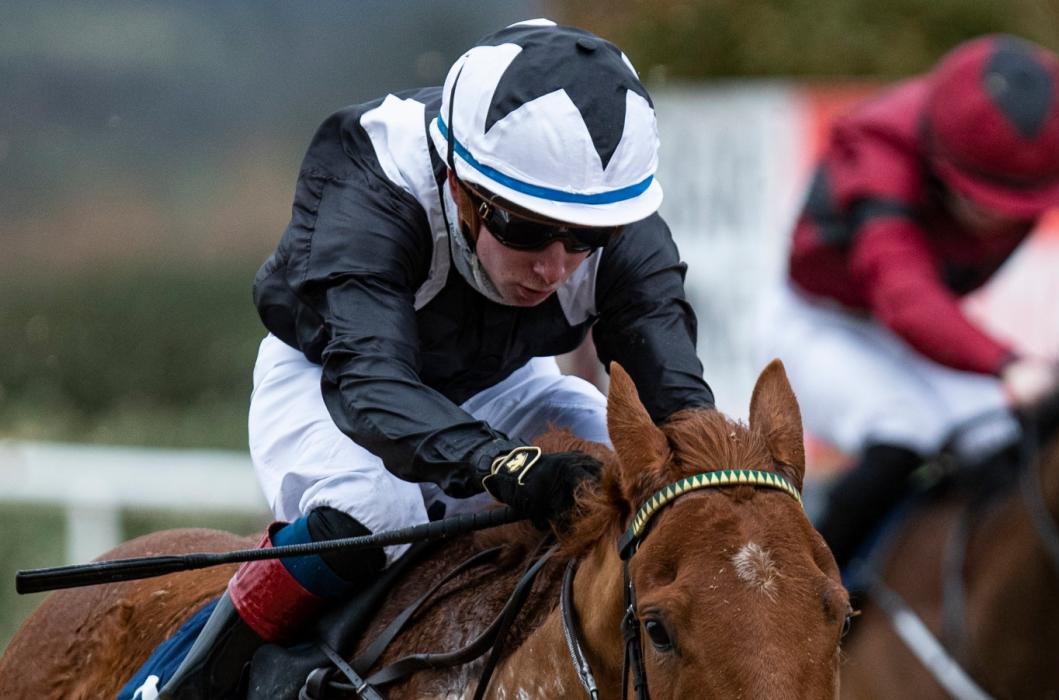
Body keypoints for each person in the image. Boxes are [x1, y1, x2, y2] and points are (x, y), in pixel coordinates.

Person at [158, 19, 713, 698]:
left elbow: (681, 411)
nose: (554, 265)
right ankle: (184, 679)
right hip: (331, 381)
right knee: (379, 511)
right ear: (458, 187)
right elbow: (373, 383)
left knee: (644, 488)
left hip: (505, 384)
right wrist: (505, 467)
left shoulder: (620, 227)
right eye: (527, 228)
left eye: (585, 239)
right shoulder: (370, 176)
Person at [757, 34, 1059, 573]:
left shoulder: (1052, 152)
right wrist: (1007, 364)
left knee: (1006, 440)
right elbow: (905, 298)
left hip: (922, 333)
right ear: (939, 159)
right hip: (819, 322)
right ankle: (799, 590)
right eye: (983, 198)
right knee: (905, 429)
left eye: (1023, 205)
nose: (1006, 217)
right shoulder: (879, 148)